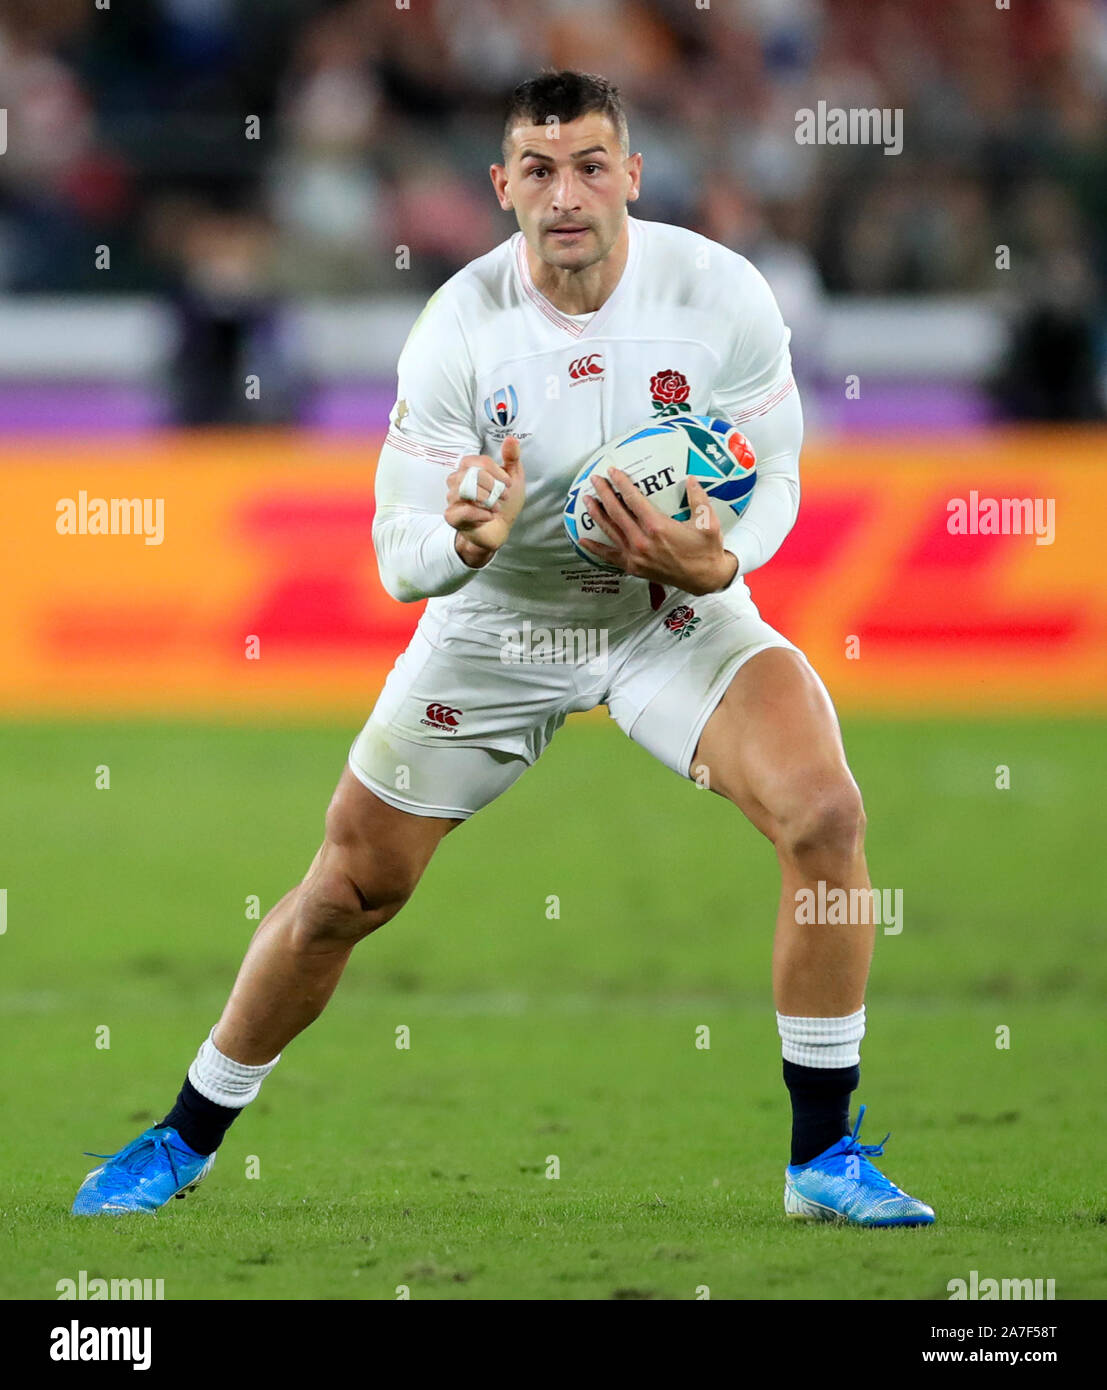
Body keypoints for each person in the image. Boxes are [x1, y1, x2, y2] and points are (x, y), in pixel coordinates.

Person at [74, 70, 933, 1228]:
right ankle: (184, 1132)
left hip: (665, 611)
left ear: (632, 172)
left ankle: (821, 1159)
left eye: (590, 164)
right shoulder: (460, 331)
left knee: (826, 814)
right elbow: (395, 552)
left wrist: (722, 565)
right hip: (496, 625)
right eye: (538, 169)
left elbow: (775, 469)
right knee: (347, 891)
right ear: (502, 186)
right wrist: (463, 544)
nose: (566, 193)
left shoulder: (721, 291)